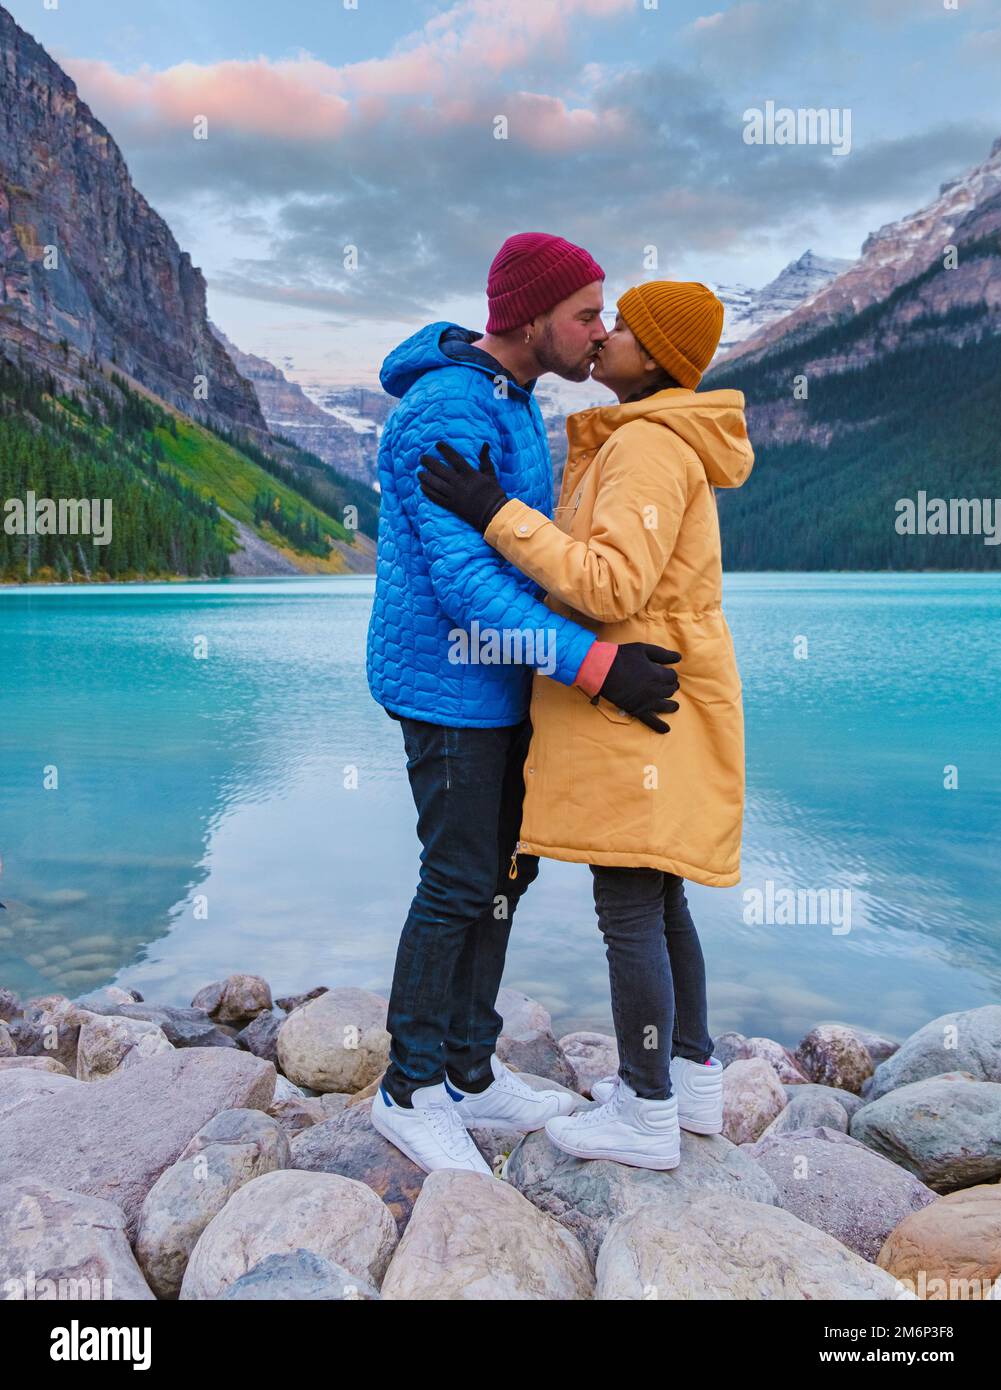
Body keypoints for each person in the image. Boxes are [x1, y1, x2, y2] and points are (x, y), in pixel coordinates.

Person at [417, 279, 755, 1170]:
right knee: (662, 894)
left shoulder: (645, 443)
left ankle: (645, 1111)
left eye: (625, 329)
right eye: (601, 320)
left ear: (660, 358)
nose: (604, 338)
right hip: (667, 690)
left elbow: (609, 585)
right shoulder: (663, 434)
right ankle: (691, 1079)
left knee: (629, 905)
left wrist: (494, 512)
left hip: (635, 698)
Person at [365, 235, 681, 1175]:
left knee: (507, 873)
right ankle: (409, 1088)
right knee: (458, 880)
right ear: (531, 317)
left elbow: (525, 549)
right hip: (450, 686)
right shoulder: (446, 407)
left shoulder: (512, 396)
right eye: (585, 314)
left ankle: (469, 1068)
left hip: (506, 683)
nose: (600, 332)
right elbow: (466, 585)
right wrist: (598, 666)